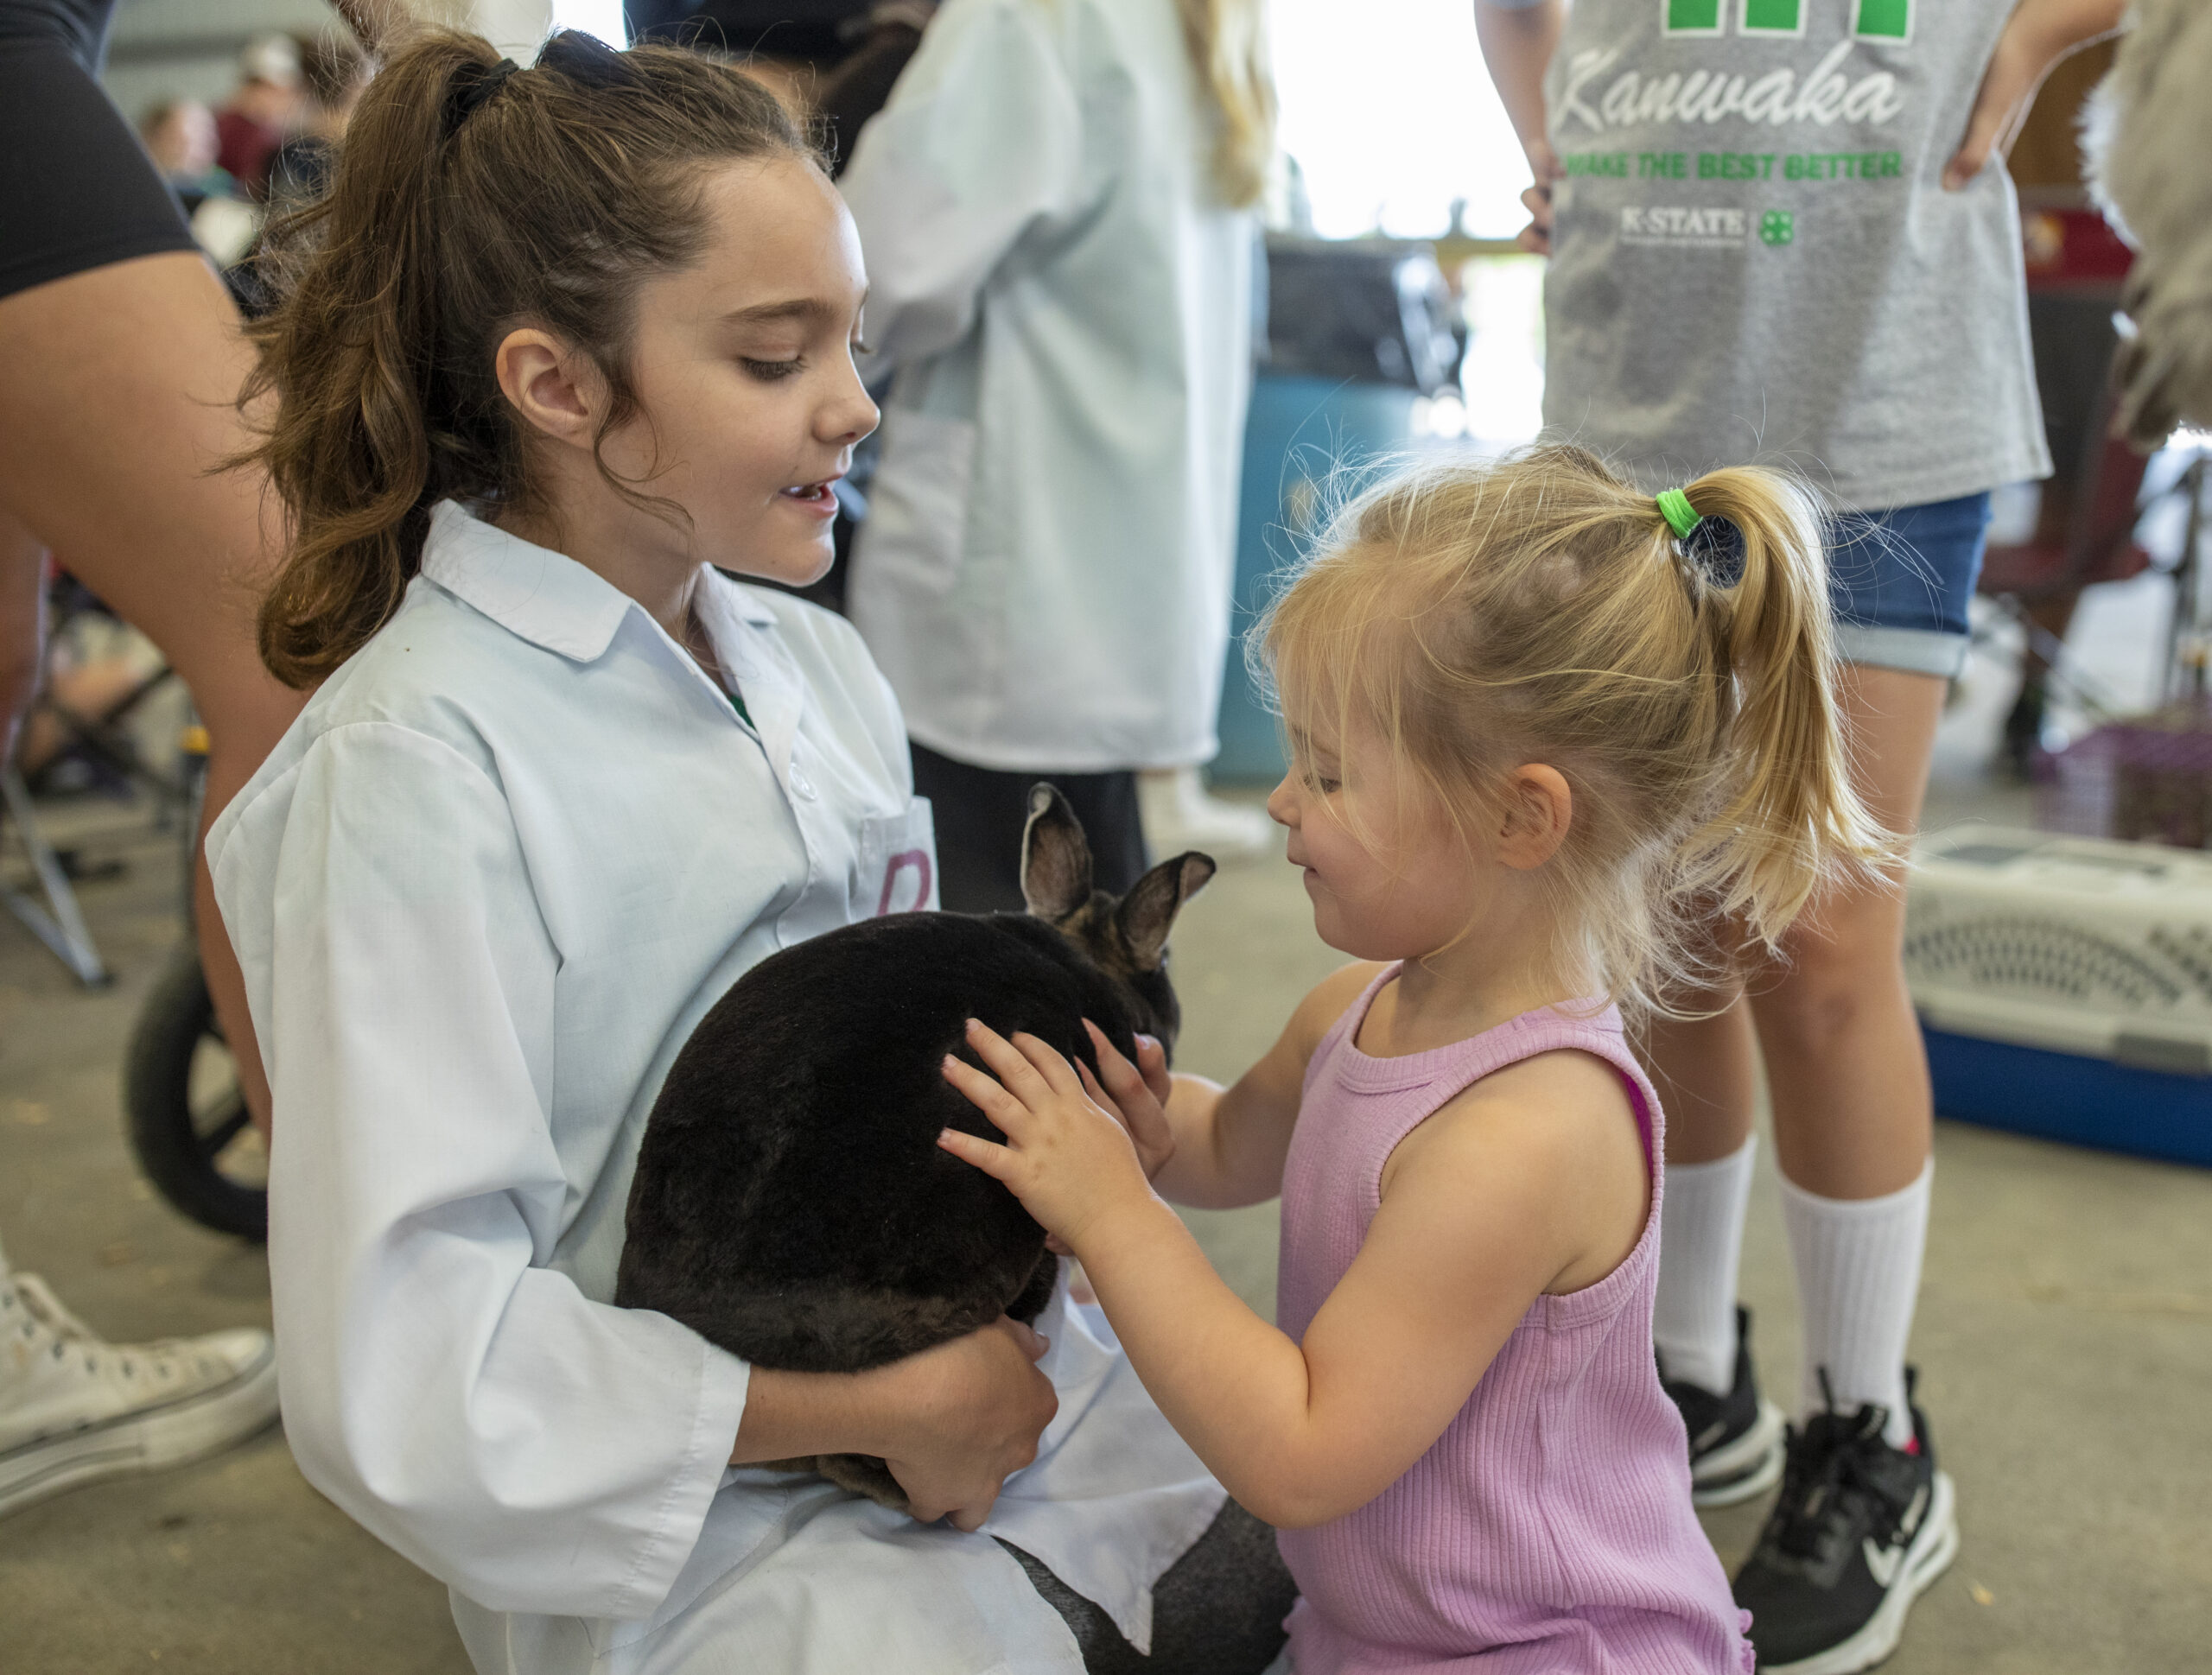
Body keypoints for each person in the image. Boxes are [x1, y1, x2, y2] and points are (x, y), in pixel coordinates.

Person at [211, 29, 1290, 1674]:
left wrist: (1062, 1142)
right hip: (698, 1512)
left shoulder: (824, 671)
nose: (856, 401)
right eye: (777, 358)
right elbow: (408, 1371)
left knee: (1370, 1516)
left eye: (852, 338)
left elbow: (880, 1061)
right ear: (557, 385)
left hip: (982, 1377)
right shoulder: (413, 769)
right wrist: (868, 1405)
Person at [938, 446, 1893, 1674]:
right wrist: (1107, 1109)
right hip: (1382, 1619)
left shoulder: (1528, 1133)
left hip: (1539, 1648)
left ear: (1519, 817)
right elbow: (1228, 1144)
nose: (1284, 801)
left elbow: (1301, 1445)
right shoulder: (1358, 1004)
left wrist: (1112, 1209)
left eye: (1331, 771)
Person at [1475, 3, 2128, 1668]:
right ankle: (1689, 1366)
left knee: (1820, 930)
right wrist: (1539, 111)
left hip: (1877, 379)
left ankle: (1872, 1428)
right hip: (1632, 370)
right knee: (1663, 905)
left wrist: (2046, 29)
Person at [836, 0, 1274, 910]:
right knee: (1096, 949)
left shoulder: (1031, 17)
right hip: (1113, 595)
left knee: (982, 964)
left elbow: (868, 276)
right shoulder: (1202, 26)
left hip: (1003, 598)